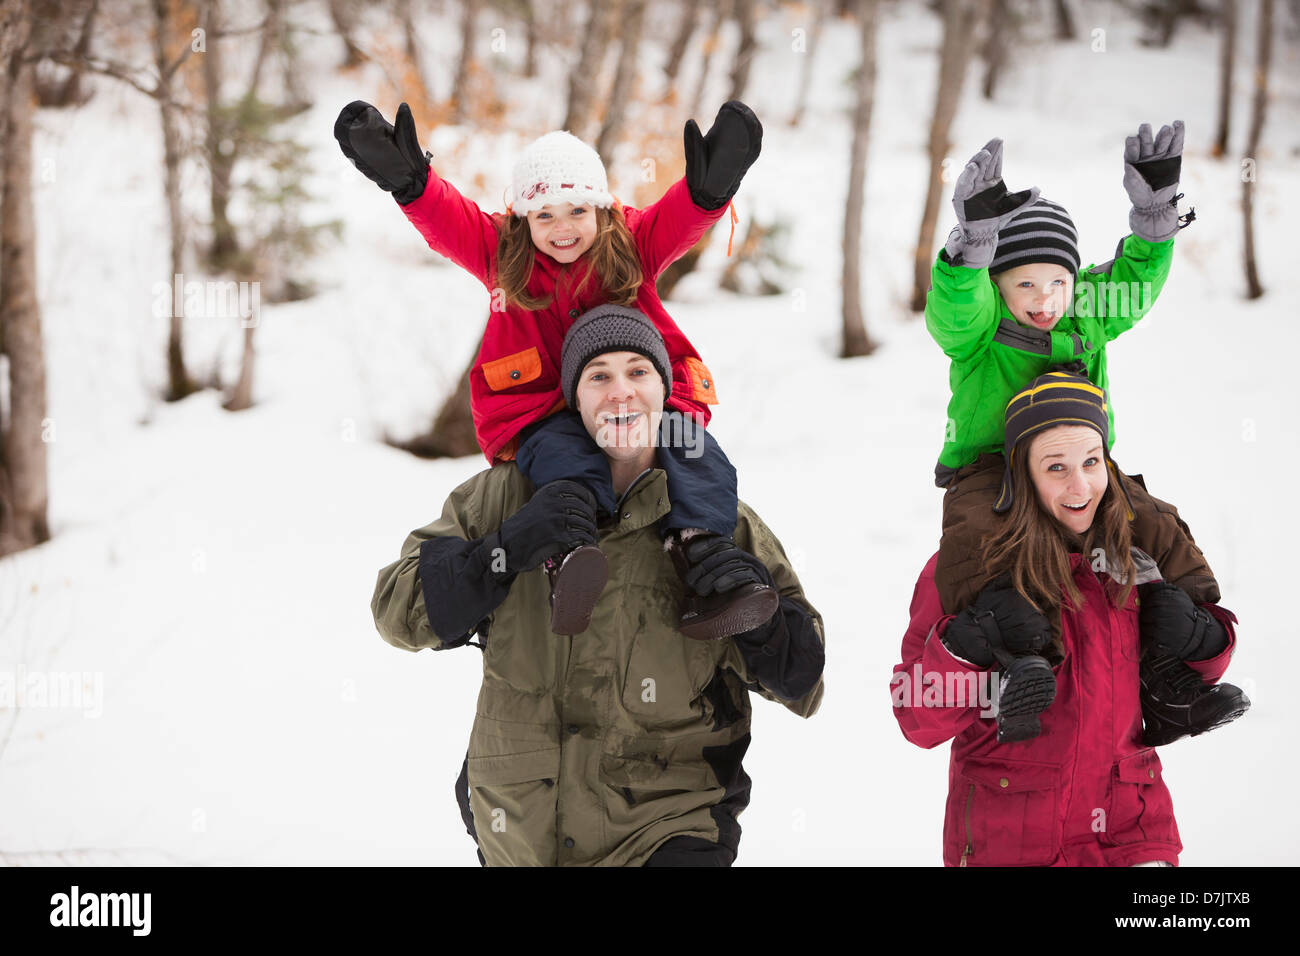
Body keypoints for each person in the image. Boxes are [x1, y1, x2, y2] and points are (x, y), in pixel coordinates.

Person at [371, 306, 825, 867]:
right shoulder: (499, 497)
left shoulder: (722, 523)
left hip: (669, 824)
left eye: (639, 372)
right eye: (599, 376)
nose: (620, 393)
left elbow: (805, 682)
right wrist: (504, 549)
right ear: (576, 398)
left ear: (665, 390)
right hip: (518, 826)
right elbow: (397, 612)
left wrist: (759, 617)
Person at [336, 99, 771, 641]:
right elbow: (452, 222)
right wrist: (413, 185)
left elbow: (675, 223)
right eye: (544, 215)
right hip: (544, 410)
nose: (561, 229)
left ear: (603, 210)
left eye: (576, 212)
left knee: (692, 451)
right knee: (564, 463)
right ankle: (571, 558)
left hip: (638, 401)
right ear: (523, 217)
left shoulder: (631, 244)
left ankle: (710, 558)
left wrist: (706, 193)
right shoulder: (503, 253)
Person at [923, 123, 1244, 745]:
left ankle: (1175, 660)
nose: (1044, 300)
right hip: (989, 469)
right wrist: (971, 250)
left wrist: (1153, 222)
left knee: (1155, 524)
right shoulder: (981, 326)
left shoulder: (1086, 311)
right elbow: (953, 309)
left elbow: (1136, 286)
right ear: (997, 284)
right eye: (1024, 284)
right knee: (980, 543)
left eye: (1057, 283)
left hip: (1084, 465)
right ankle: (1021, 661)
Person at [890, 371, 1248, 867]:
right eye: (1055, 467)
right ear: (1024, 474)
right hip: (1010, 836)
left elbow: (1204, 665)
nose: (1080, 485)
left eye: (1091, 462)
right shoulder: (966, 568)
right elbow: (918, 717)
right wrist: (969, 644)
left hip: (1130, 830)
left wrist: (1199, 636)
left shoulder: (1137, 556)